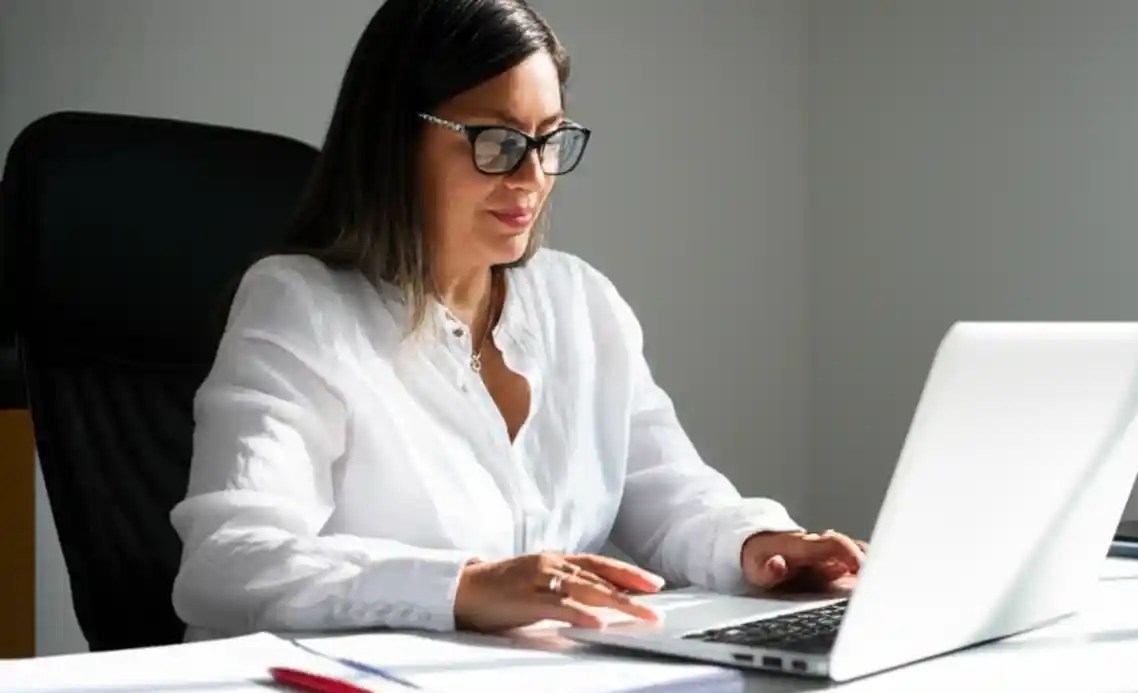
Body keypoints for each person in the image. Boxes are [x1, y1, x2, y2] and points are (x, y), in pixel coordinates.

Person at [170, 0, 866, 640]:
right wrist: (462, 586)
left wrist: (758, 544)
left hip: (546, 686)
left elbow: (674, 499)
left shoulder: (579, 303)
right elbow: (228, 563)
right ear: (395, 141)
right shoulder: (301, 307)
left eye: (548, 140)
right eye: (498, 141)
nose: (531, 176)